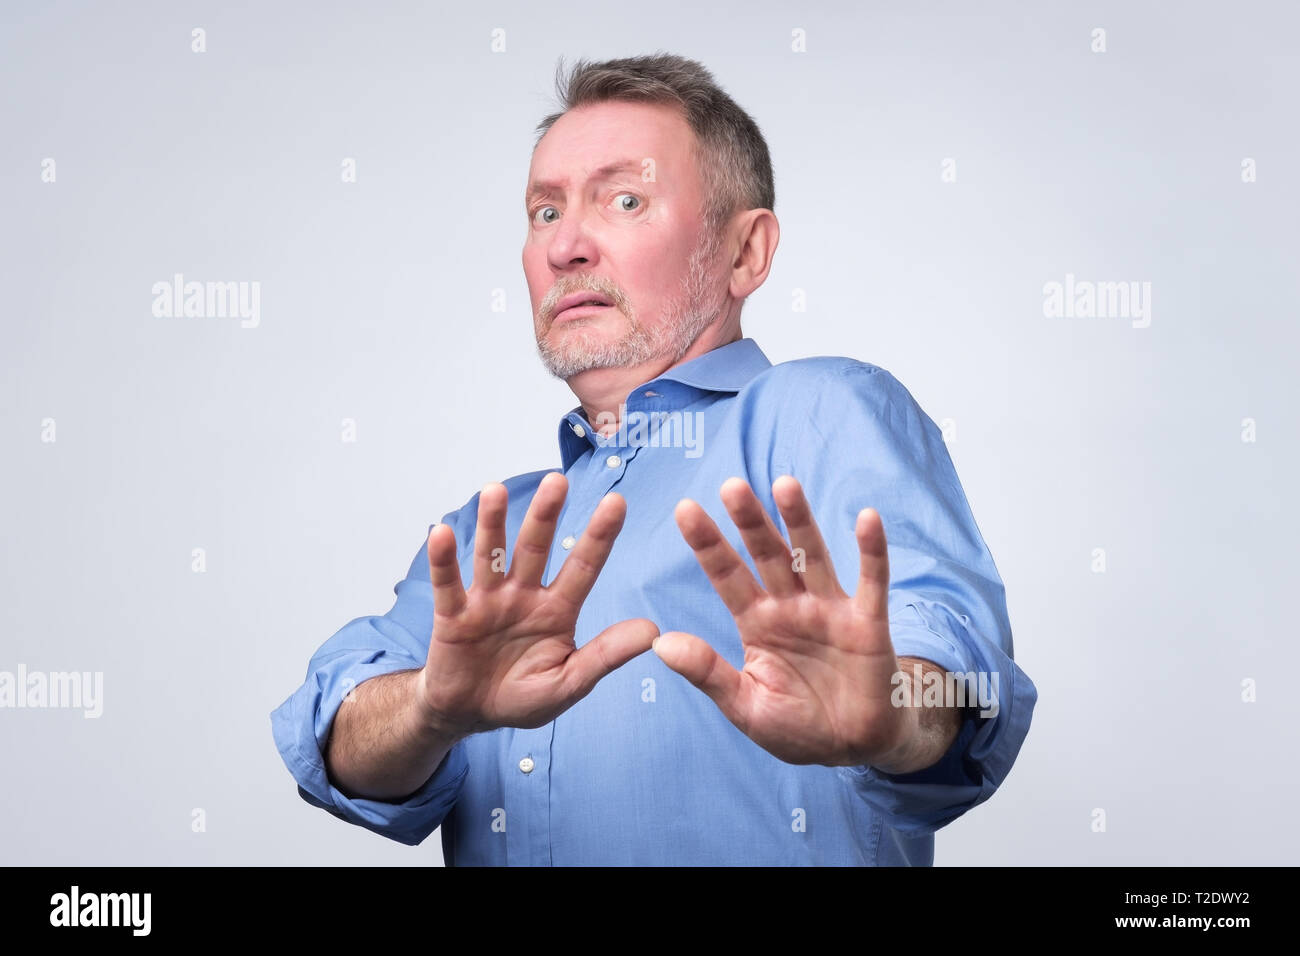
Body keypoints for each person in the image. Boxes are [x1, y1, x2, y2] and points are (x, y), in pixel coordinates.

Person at [270, 52, 1036, 865]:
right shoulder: (495, 529)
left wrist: (890, 711)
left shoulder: (820, 412)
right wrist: (429, 707)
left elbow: (955, 665)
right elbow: (338, 733)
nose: (566, 246)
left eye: (625, 200)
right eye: (542, 212)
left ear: (745, 253)